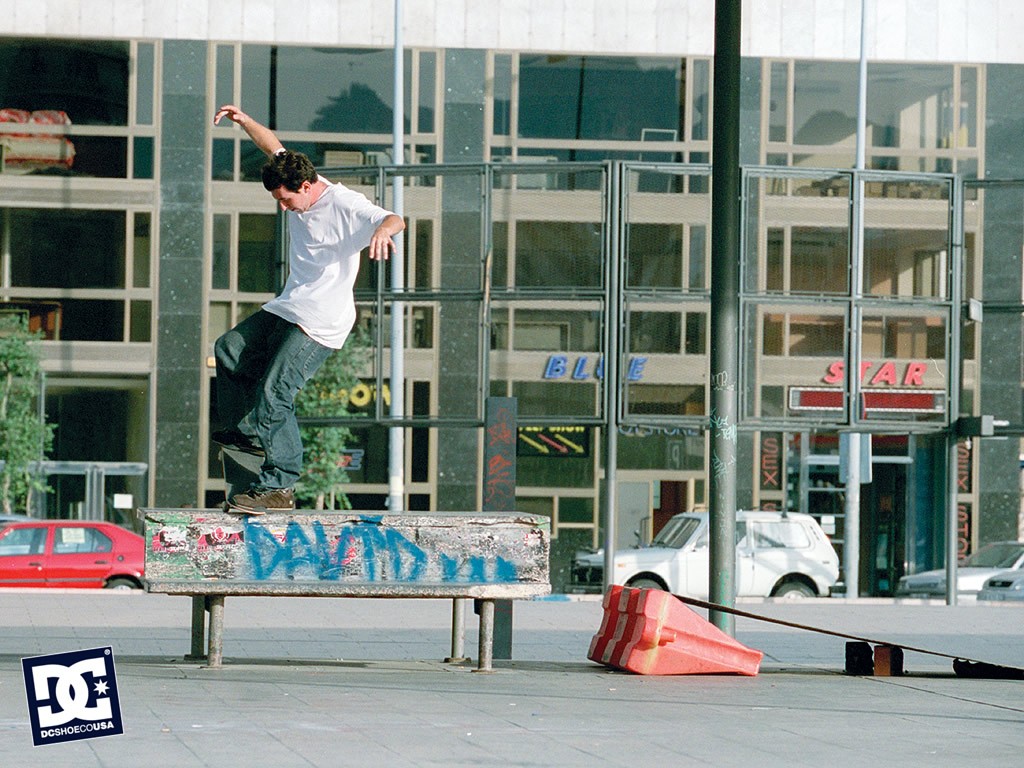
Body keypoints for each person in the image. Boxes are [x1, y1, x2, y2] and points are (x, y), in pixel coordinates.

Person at [211, 104, 404, 513]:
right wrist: (244, 121)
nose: (283, 208)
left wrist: (383, 235)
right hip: (291, 306)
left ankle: (279, 486)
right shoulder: (291, 171)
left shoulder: (345, 203)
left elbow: (393, 217)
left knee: (274, 394)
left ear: (305, 186)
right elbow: (272, 146)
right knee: (228, 349)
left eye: (285, 201)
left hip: (320, 323)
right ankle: (245, 433)